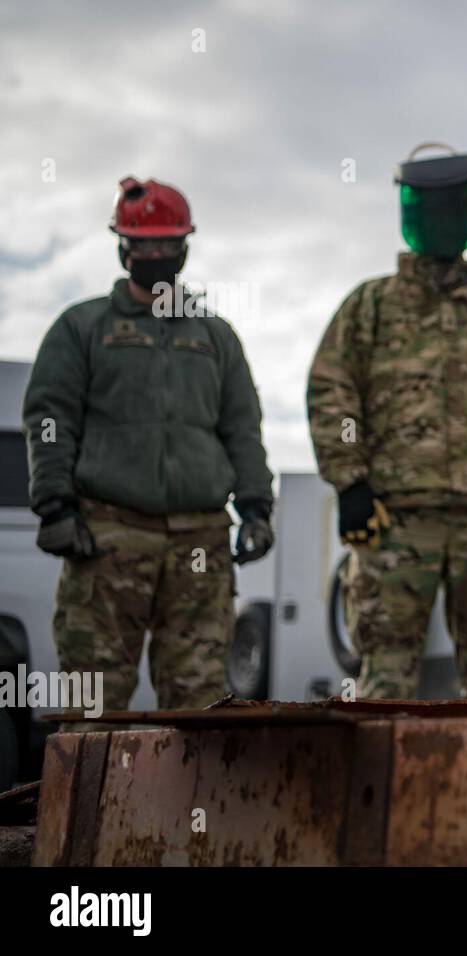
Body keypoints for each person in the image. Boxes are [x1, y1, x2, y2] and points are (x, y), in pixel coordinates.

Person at [307, 144, 467, 701]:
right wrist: (350, 485)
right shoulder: (371, 307)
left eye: (454, 207)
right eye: (435, 208)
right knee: (387, 673)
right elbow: (332, 392)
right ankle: (383, 762)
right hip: (394, 518)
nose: (446, 219)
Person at [22, 176, 274, 711]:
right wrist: (56, 505)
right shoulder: (82, 328)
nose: (156, 256)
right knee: (93, 704)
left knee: (200, 708)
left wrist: (256, 508)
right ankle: (90, 773)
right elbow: (50, 418)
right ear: (124, 249)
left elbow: (243, 428)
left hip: (200, 543)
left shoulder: (215, 337)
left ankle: (189, 776)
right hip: (109, 537)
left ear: (184, 249)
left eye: (167, 245)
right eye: (145, 245)